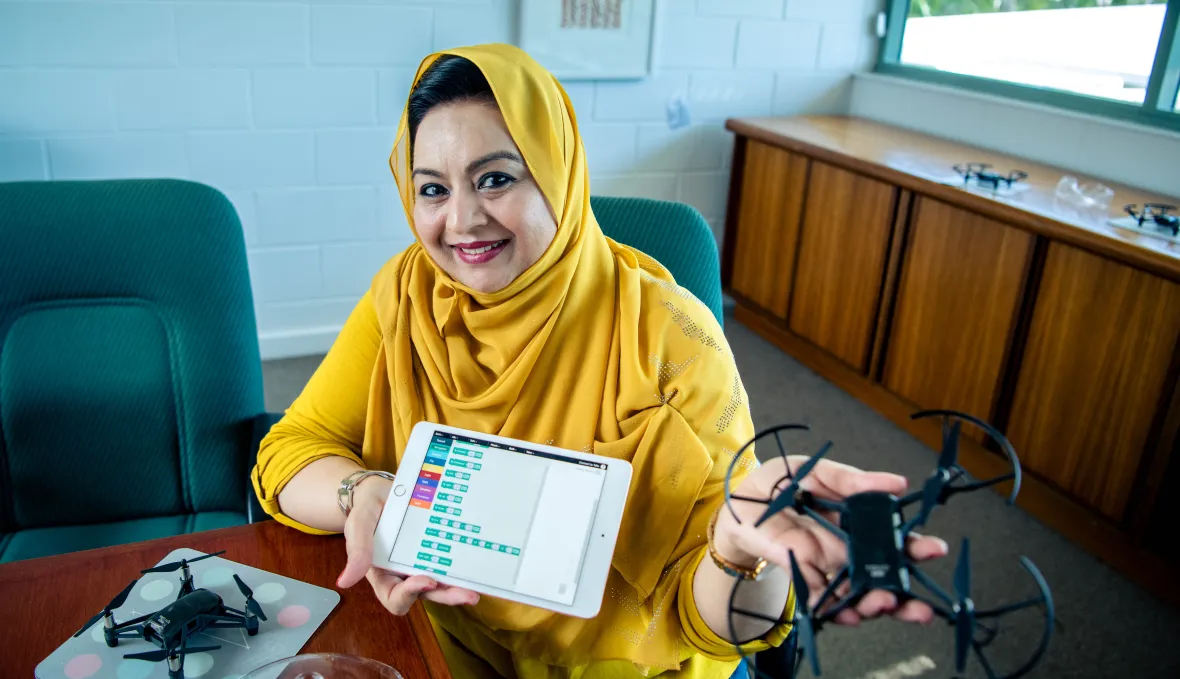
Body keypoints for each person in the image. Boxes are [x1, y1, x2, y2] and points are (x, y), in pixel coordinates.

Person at [251, 43, 947, 679]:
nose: (460, 221)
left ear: (558, 173)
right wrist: (364, 491)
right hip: (444, 641)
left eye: (495, 179)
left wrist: (738, 548)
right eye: (433, 188)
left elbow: (720, 624)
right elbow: (289, 452)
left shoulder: (668, 339)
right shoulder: (408, 294)